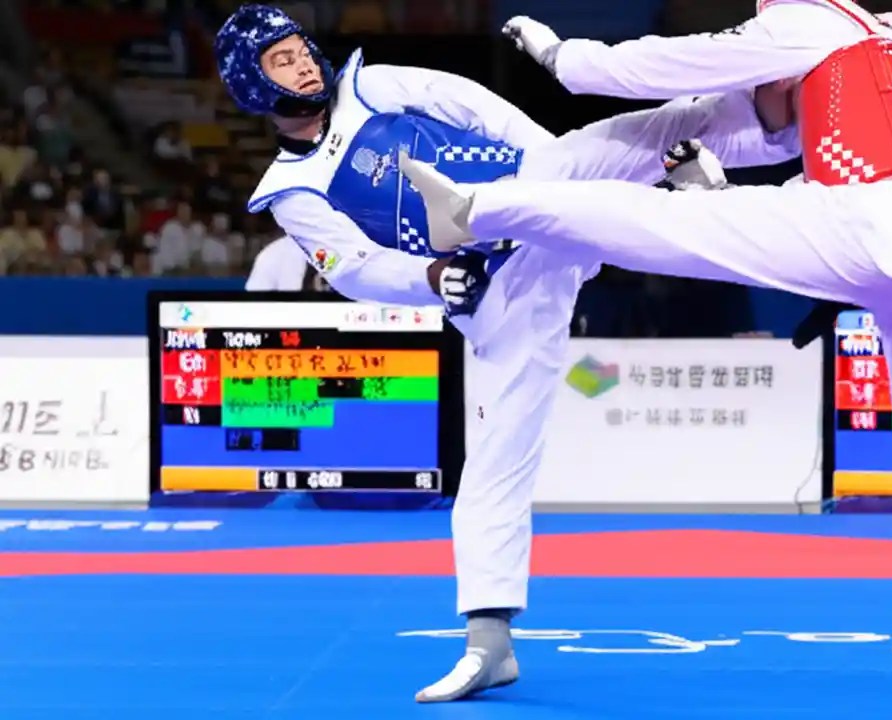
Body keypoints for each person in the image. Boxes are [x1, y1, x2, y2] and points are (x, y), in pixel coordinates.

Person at [403, 2, 892, 717]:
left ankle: (475, 208)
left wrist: (567, 57)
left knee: (659, 224)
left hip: (879, 221)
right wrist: (718, 193)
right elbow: (818, 203)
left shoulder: (814, 22)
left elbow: (664, 63)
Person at [213, 3, 801, 703]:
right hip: (495, 288)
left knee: (659, 127)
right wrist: (432, 278)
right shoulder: (291, 191)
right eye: (281, 60)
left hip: (535, 189)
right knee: (494, 460)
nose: (304, 63)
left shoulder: (374, 85)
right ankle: (489, 640)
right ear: (253, 86)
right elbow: (352, 266)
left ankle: (785, 113)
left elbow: (477, 108)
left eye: (300, 49)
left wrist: (549, 186)